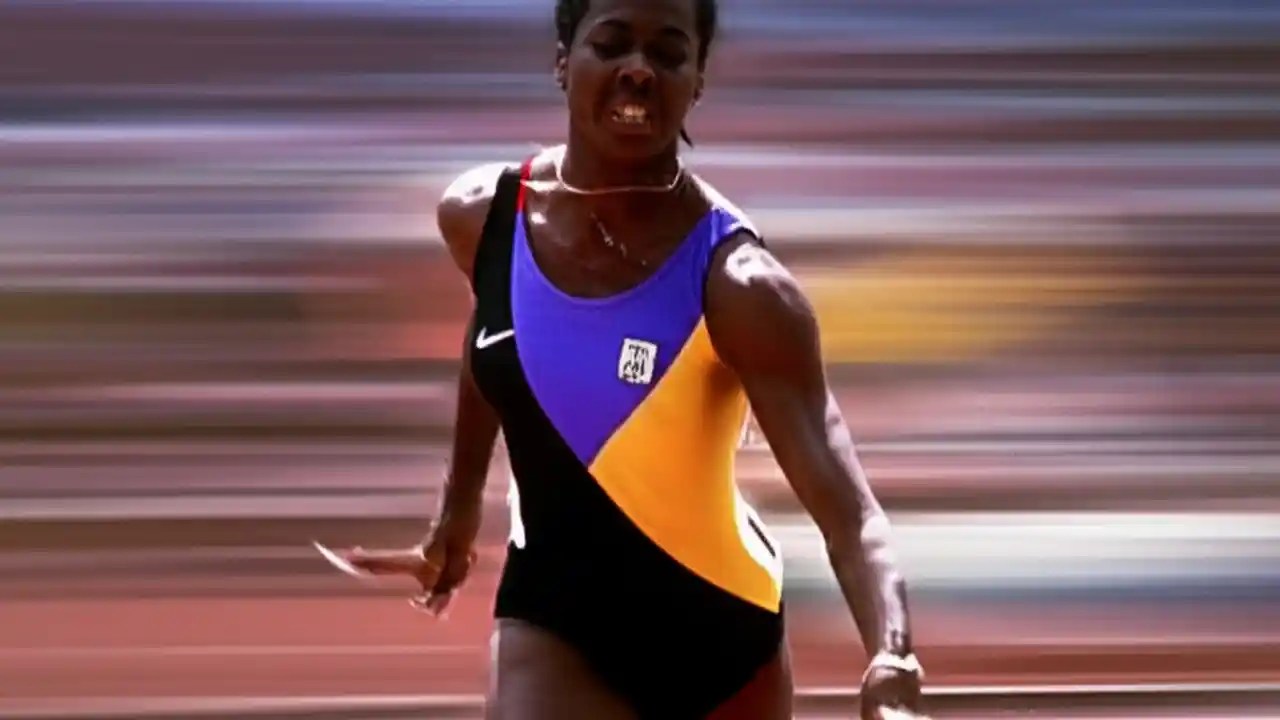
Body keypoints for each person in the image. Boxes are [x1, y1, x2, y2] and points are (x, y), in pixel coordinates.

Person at [340, 0, 925, 717]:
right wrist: (455, 519)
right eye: (612, 44)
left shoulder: (740, 287)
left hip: (721, 645)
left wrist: (892, 654)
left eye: (669, 53)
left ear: (698, 80)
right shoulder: (482, 218)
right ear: (563, 61)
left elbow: (849, 511)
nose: (639, 71)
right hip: (552, 626)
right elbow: (496, 345)